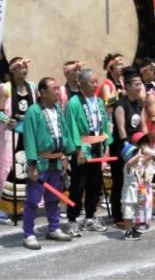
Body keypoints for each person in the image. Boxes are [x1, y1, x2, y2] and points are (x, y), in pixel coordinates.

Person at [21, 77, 74, 250]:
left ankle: (54, 228)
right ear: (42, 92)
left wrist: (66, 154)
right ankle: (28, 233)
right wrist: (32, 164)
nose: (57, 92)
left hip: (56, 161)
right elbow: (29, 138)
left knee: (53, 198)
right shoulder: (33, 112)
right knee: (33, 199)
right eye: (54, 89)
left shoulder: (58, 110)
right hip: (41, 161)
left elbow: (65, 133)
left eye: (58, 88)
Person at [64, 68, 113, 236]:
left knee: (95, 183)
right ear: (81, 85)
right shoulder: (74, 103)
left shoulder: (99, 102)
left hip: (97, 147)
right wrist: (78, 150)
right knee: (78, 185)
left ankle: (90, 216)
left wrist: (106, 143)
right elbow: (72, 127)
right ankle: (72, 219)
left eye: (96, 81)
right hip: (82, 148)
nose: (95, 85)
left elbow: (104, 124)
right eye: (92, 82)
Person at [0, 57, 36, 225]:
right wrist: (6, 120)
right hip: (12, 133)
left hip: (30, 133)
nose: (24, 70)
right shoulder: (5, 88)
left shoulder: (32, 87)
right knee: (8, 169)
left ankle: (24, 207)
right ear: (13, 70)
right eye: (20, 68)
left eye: (25, 67)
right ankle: (2, 211)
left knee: (27, 168)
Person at [109, 67, 146, 229]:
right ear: (128, 86)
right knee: (120, 181)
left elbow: (141, 126)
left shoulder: (138, 103)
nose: (140, 87)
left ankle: (133, 214)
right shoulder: (120, 104)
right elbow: (121, 128)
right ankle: (119, 215)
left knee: (134, 182)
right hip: (122, 147)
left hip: (135, 146)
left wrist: (145, 143)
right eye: (136, 84)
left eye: (140, 84)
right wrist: (127, 147)